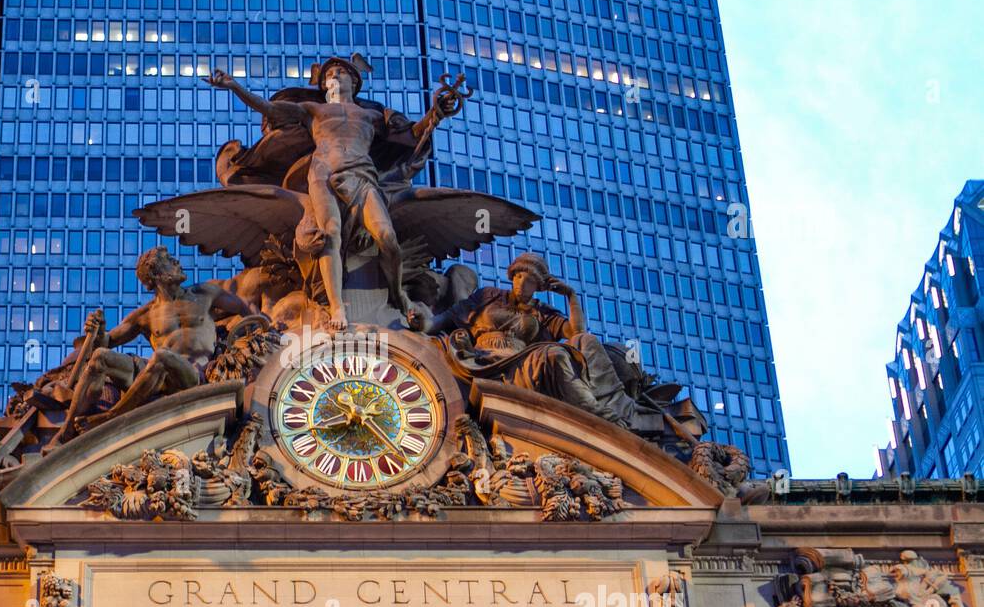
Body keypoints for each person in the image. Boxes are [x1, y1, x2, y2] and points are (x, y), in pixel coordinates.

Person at [205, 59, 415, 329]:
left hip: (361, 175)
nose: (334, 76)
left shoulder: (374, 116)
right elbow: (268, 108)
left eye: (340, 72)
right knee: (330, 233)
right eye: (329, 74)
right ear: (324, 85)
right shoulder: (313, 110)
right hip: (323, 172)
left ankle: (398, 294)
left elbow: (413, 135)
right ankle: (337, 306)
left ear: (355, 81)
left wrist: (437, 114)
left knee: (387, 237)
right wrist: (235, 86)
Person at [412, 252, 642, 426]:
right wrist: (420, 323)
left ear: (540, 286)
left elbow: (576, 333)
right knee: (554, 354)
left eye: (530, 280)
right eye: (519, 276)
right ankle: (596, 413)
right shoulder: (487, 296)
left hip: (521, 361)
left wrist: (571, 297)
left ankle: (595, 411)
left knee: (556, 353)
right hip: (481, 357)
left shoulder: (542, 312)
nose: (522, 283)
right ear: (512, 276)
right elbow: (441, 320)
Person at [55, 246, 255, 441]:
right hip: (157, 377)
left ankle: (112, 417)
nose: (177, 262)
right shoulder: (146, 314)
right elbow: (106, 342)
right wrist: (98, 329)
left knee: (162, 356)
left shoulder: (205, 294)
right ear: (156, 273)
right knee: (99, 357)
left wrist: (260, 333)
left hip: (191, 376)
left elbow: (245, 308)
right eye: (169, 259)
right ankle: (66, 432)